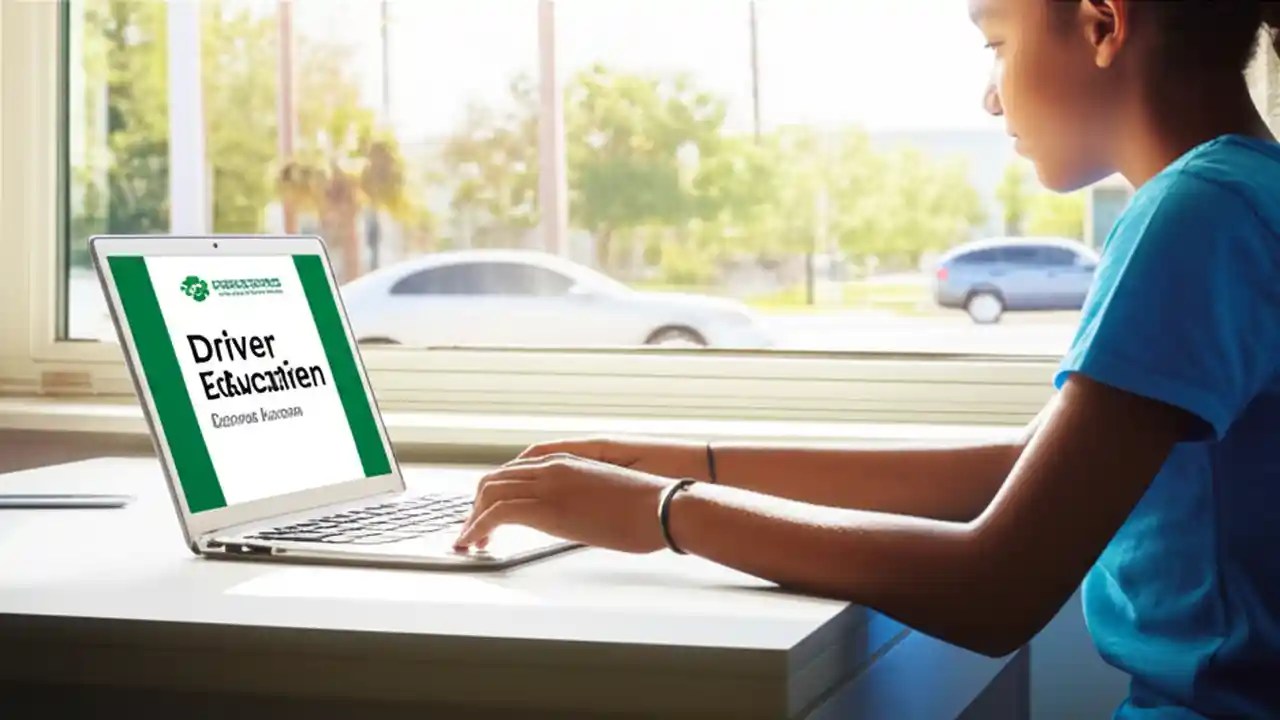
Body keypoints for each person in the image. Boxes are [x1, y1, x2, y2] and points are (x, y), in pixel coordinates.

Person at [454, 1, 1280, 716]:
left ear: (1103, 23)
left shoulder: (1195, 214)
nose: (989, 96)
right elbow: (1017, 471)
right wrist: (677, 464)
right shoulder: (1248, 193)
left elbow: (997, 586)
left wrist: (663, 512)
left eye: (995, 42)